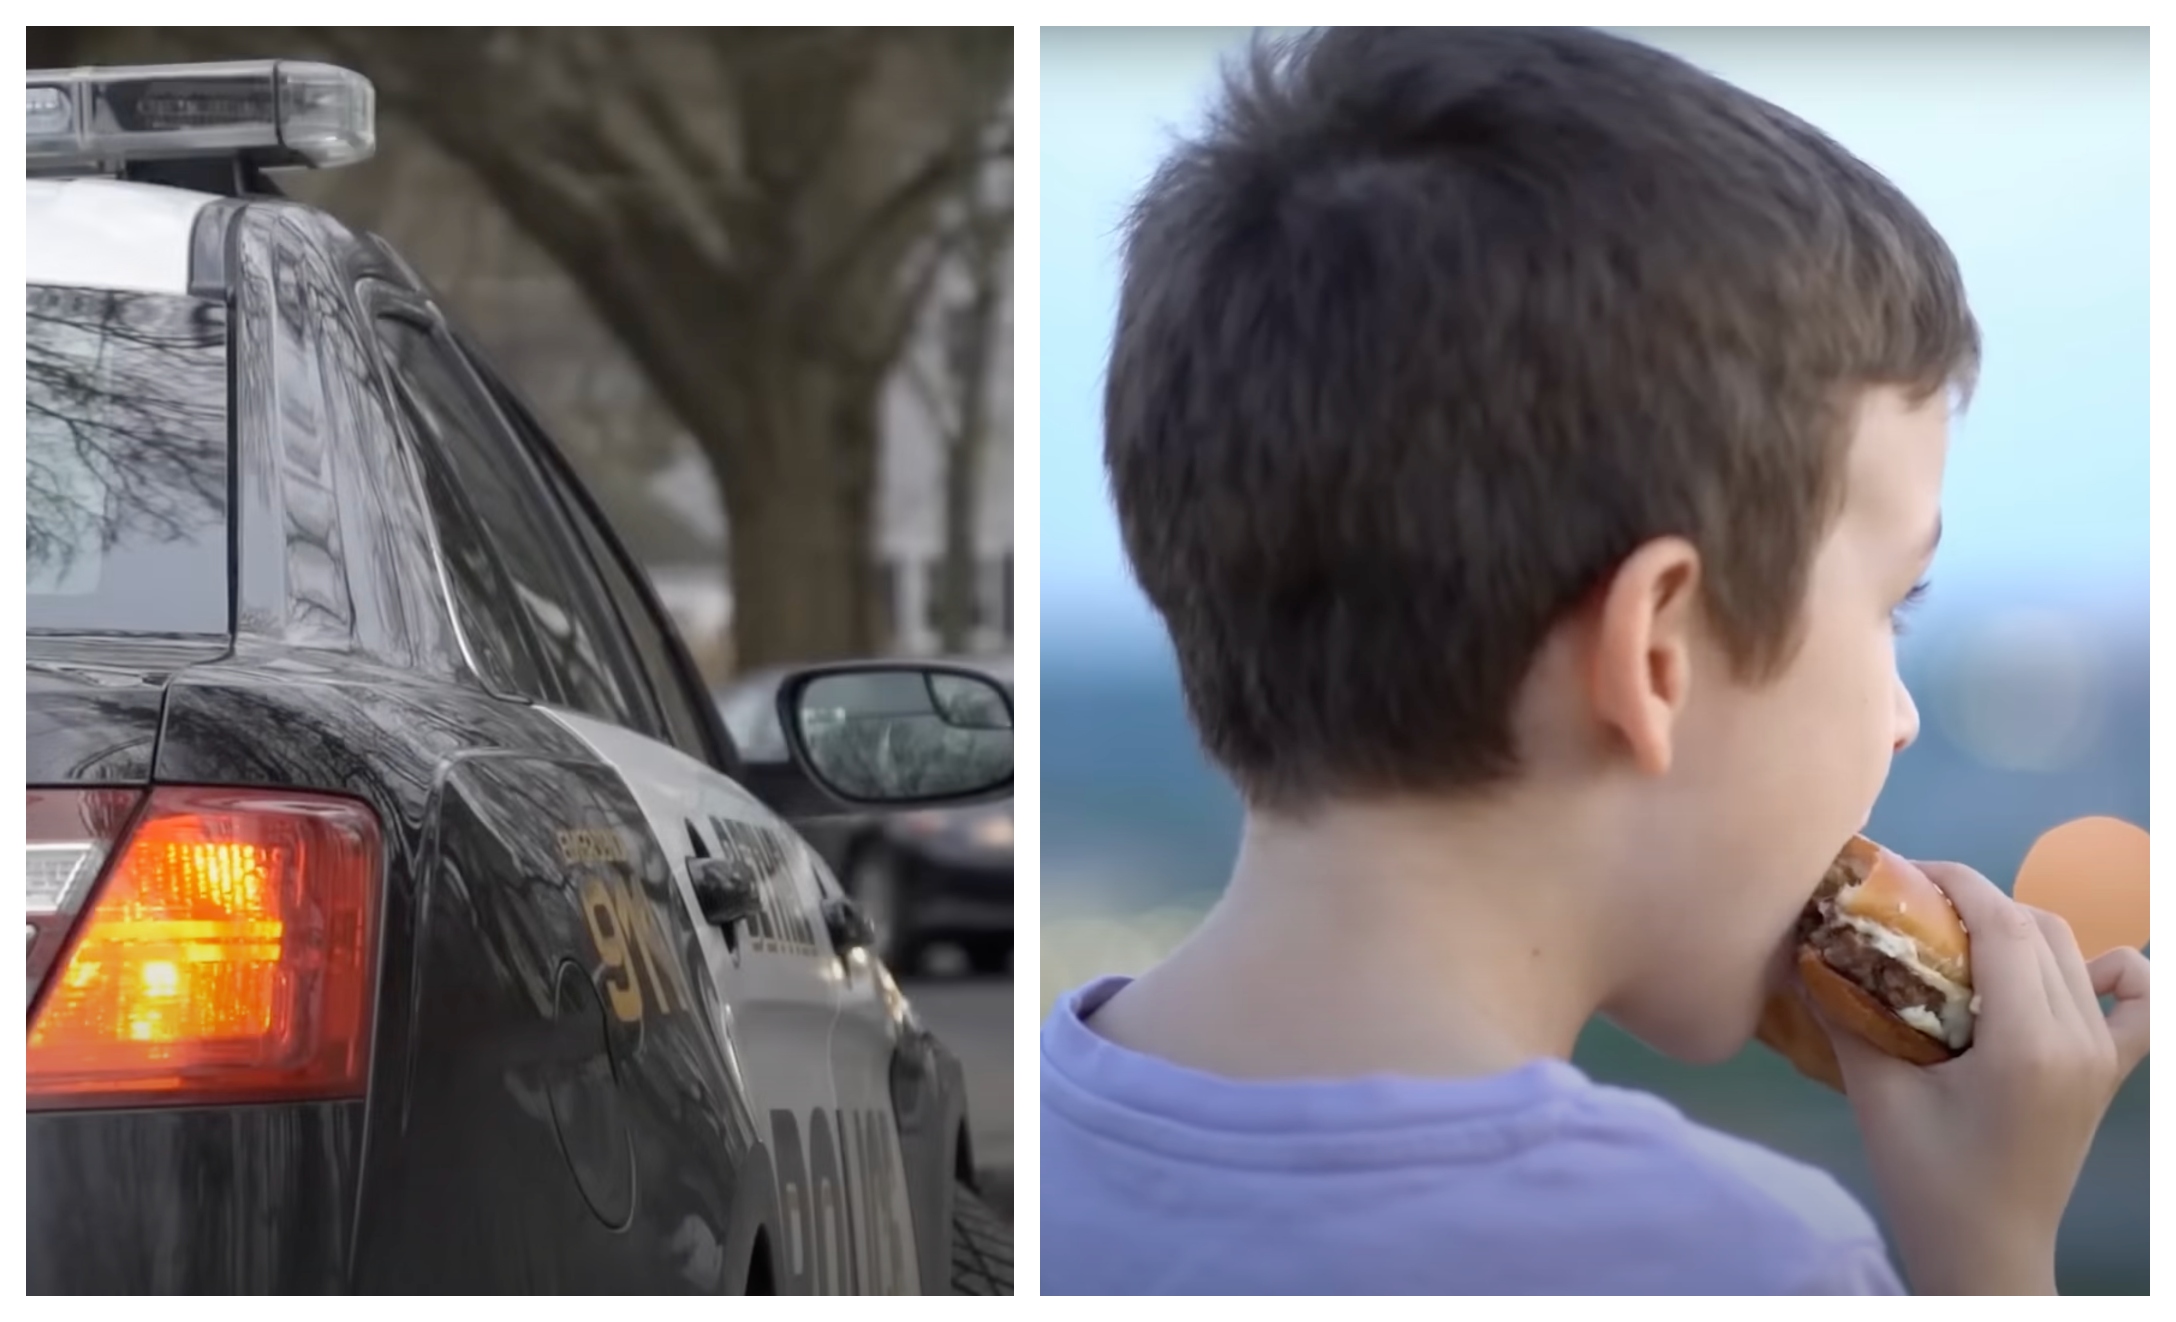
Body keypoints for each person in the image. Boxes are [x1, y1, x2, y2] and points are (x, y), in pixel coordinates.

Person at [1040, 27, 2150, 1296]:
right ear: (1656, 654)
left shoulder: (1022, 1160)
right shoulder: (1738, 1258)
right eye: (1896, 603)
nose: (1899, 716)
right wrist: (1992, 1248)